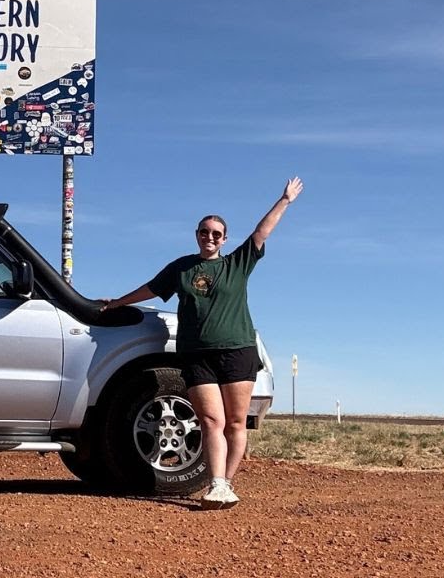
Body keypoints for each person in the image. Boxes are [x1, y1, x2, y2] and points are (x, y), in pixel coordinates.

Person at [101, 177, 303, 509]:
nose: (210, 237)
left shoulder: (236, 263)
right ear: (197, 235)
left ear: (225, 239)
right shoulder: (181, 268)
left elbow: (262, 232)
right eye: (204, 232)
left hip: (237, 351)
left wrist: (284, 200)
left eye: (216, 234)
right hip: (196, 355)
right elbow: (150, 289)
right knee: (210, 421)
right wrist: (118, 303)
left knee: (235, 422)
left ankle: (226, 484)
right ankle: (217, 483)